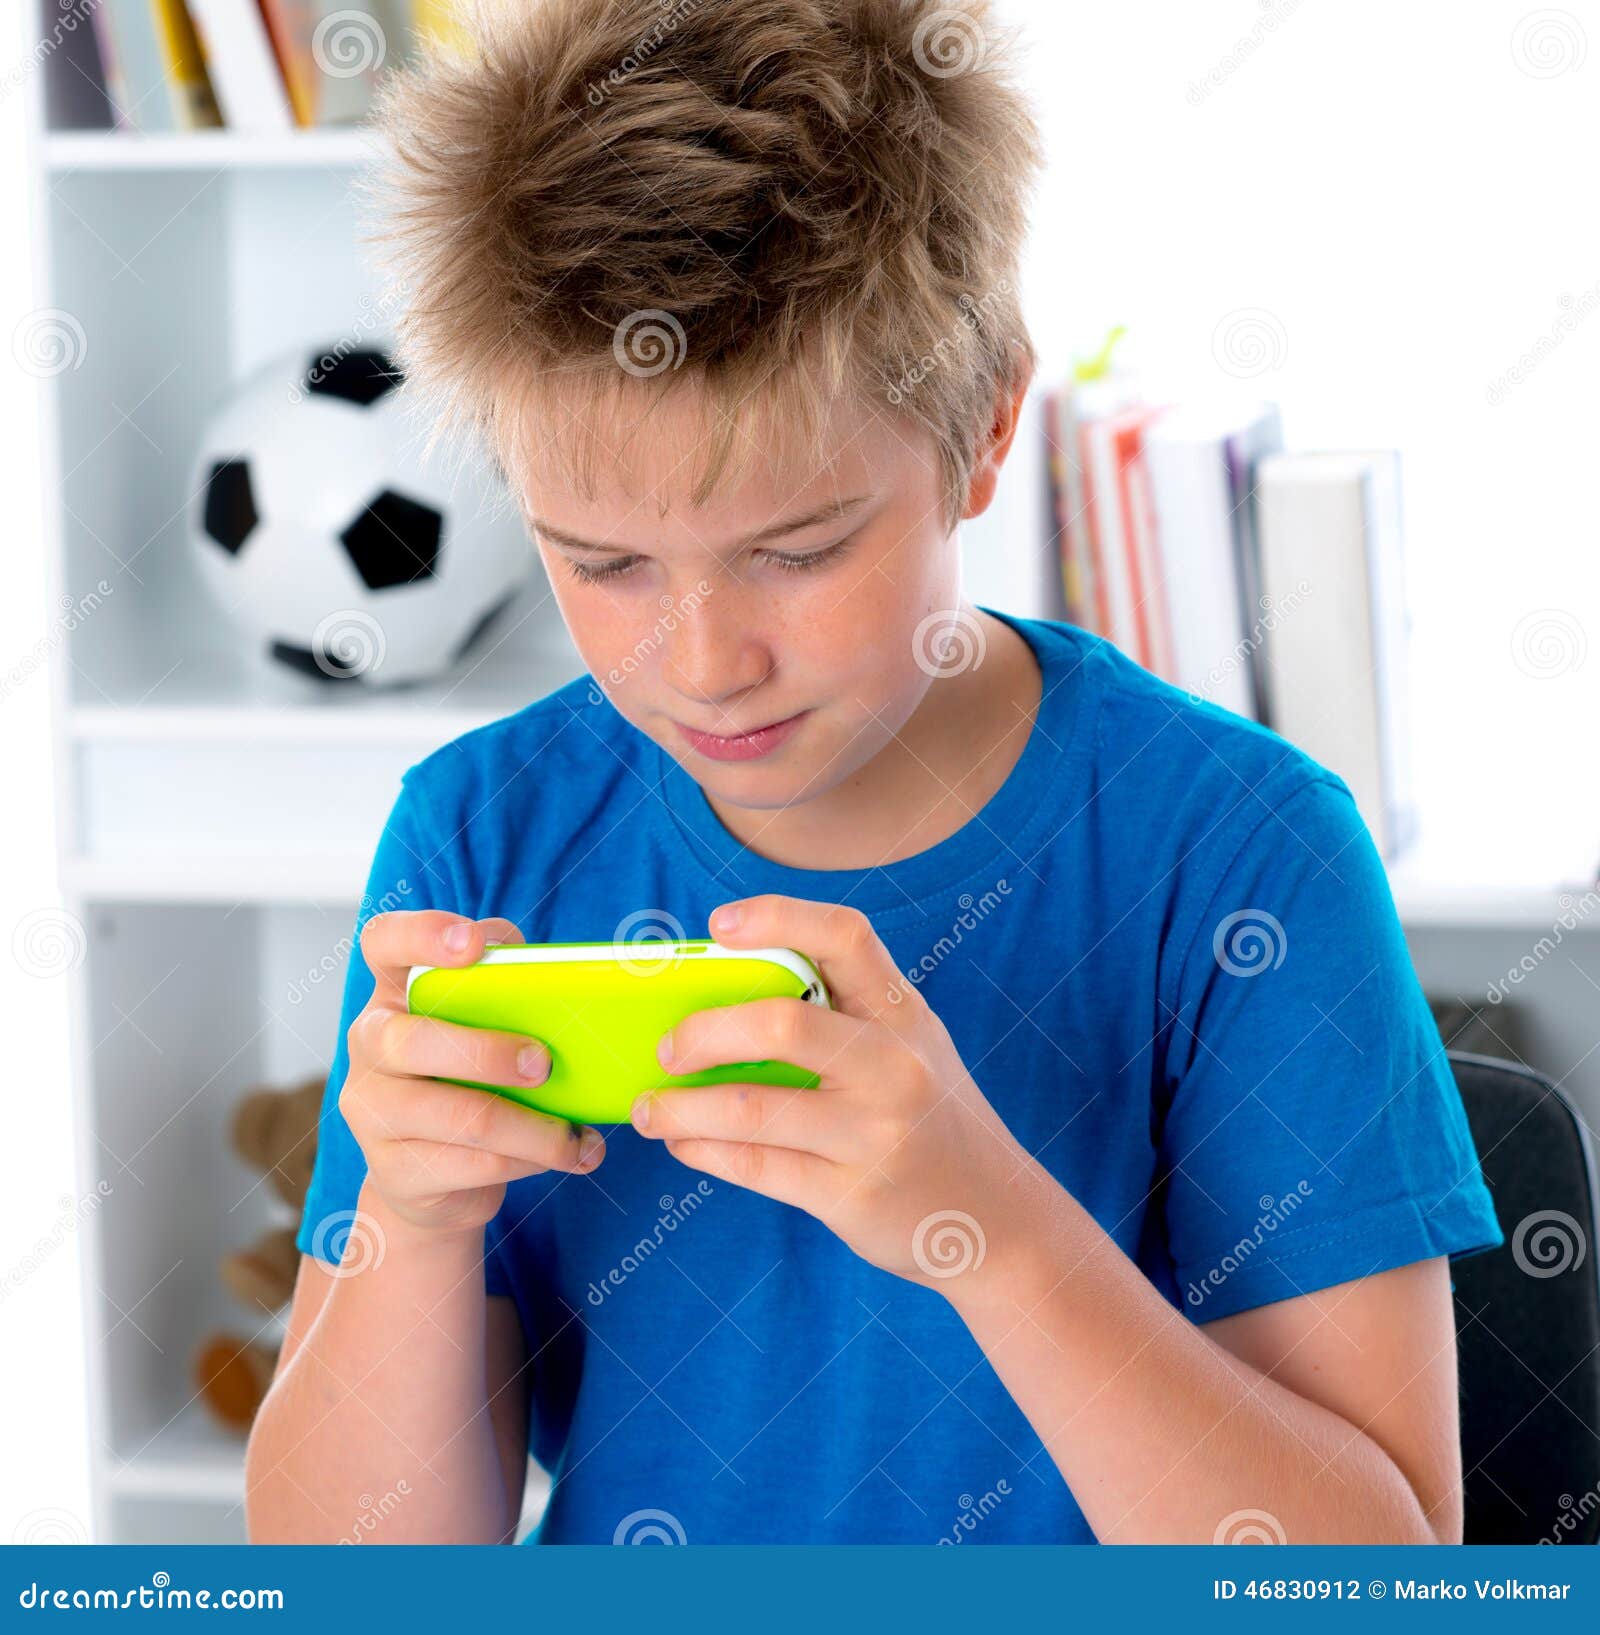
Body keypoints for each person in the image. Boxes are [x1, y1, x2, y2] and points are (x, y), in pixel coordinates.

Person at [244, 0, 1500, 1545]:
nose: (704, 660)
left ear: (982, 429)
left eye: (797, 549)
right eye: (607, 561)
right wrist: (414, 1225)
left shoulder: (1242, 853)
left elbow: (1374, 1579)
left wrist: (988, 1226)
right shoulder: (481, 831)